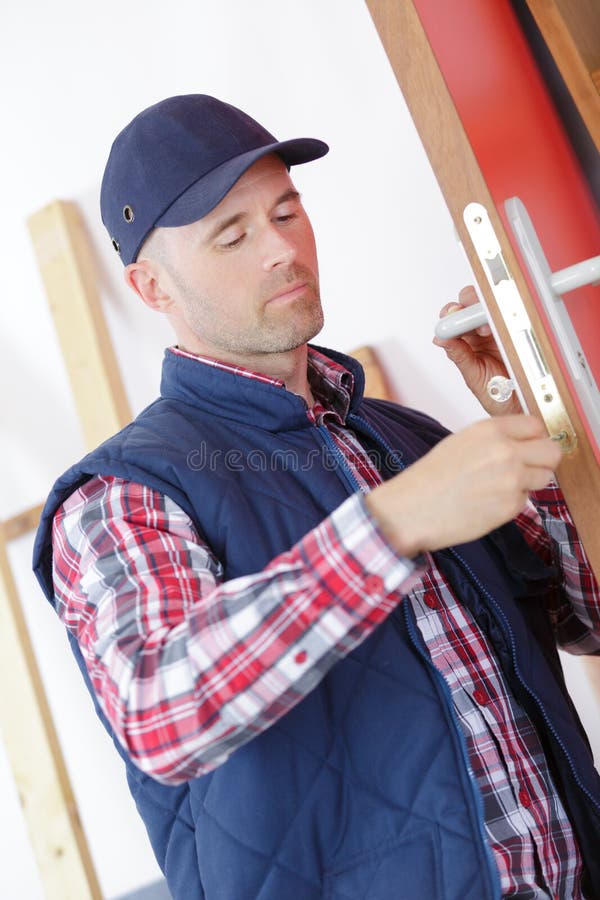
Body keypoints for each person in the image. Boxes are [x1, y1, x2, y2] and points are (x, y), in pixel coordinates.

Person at [33, 94, 600, 900]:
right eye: (232, 235)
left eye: (286, 212)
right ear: (151, 286)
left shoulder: (408, 440)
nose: (281, 249)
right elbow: (160, 713)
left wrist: (533, 417)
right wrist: (393, 524)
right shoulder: (122, 494)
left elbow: (586, 621)